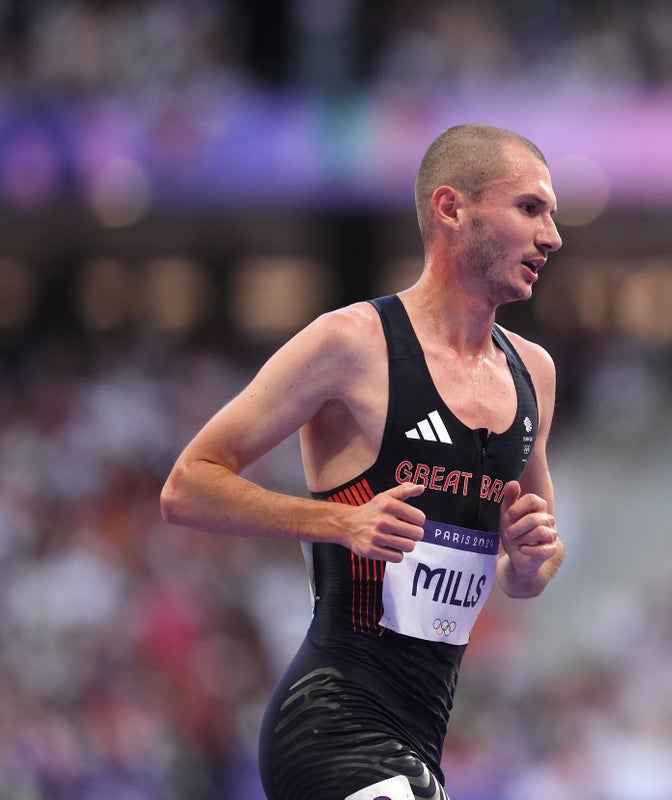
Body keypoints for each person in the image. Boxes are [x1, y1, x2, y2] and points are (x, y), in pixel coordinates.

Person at [160, 123, 565, 800]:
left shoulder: (535, 373)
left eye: (552, 215)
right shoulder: (351, 344)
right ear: (451, 208)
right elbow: (187, 486)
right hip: (330, 721)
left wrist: (525, 560)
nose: (552, 237)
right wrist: (337, 523)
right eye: (530, 209)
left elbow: (534, 569)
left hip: (421, 738)